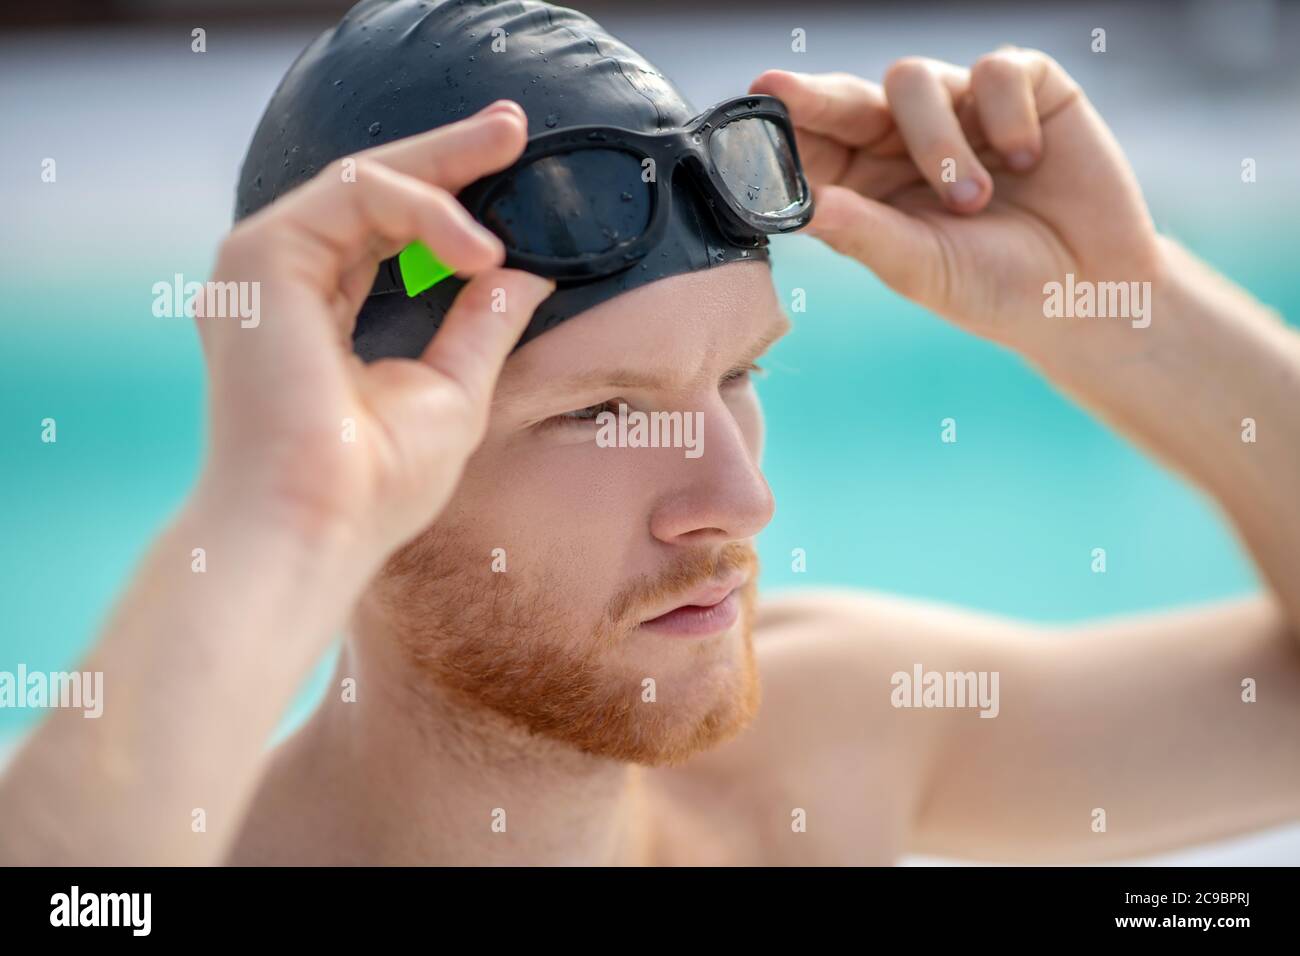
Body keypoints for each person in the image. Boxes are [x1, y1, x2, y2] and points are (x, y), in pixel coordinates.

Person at [1, 0, 1297, 866]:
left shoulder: (816, 748)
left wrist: (1128, 313)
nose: (737, 503)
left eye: (739, 378)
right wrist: (288, 507)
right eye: (605, 413)